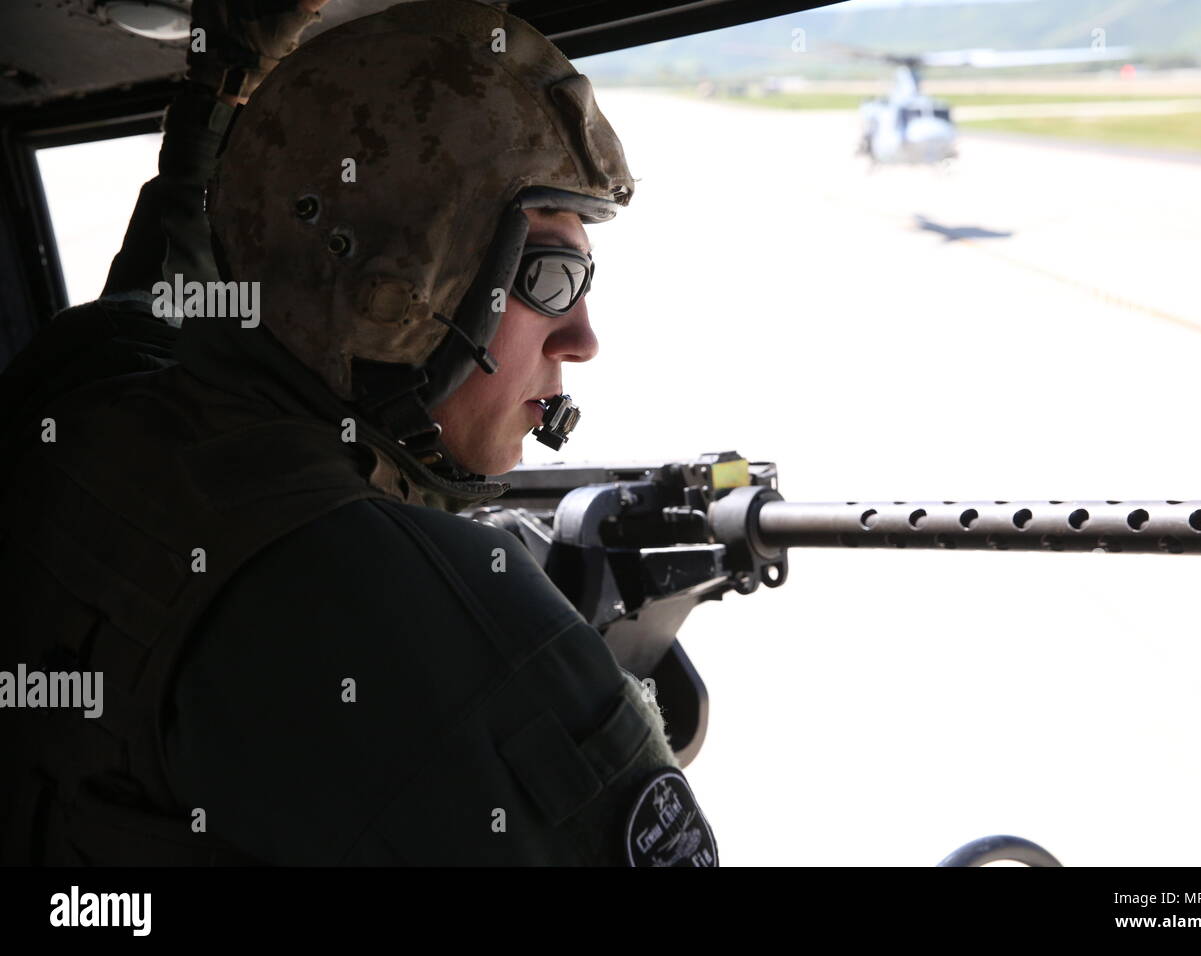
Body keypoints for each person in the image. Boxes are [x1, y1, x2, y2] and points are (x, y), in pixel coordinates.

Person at [0, 0, 717, 867]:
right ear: (400, 290)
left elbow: (182, 278)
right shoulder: (396, 607)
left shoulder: (102, 381)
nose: (584, 337)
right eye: (553, 277)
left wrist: (217, 93)